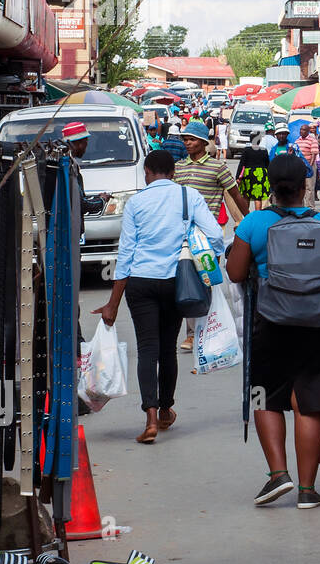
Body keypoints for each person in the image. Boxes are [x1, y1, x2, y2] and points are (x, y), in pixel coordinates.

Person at [225, 155, 320, 510]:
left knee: (263, 396)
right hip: (319, 327)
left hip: (269, 326)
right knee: (309, 404)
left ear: (271, 187)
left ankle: (278, 474)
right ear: (306, 186)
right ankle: (307, 489)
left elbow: (235, 274)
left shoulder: (254, 224)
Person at [93, 150, 224, 445]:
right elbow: (215, 235)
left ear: (147, 173)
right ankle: (166, 410)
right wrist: (207, 261)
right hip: (176, 282)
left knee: (147, 349)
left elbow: (125, 253)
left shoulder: (137, 203)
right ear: (174, 172)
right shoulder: (189, 196)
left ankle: (150, 418)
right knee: (167, 349)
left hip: (141, 282)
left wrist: (113, 301)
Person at [174, 120, 248, 351]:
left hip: (209, 236)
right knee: (187, 281)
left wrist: (249, 220)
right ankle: (190, 334)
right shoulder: (178, 168)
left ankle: (206, 331)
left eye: (191, 139)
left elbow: (235, 195)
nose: (187, 143)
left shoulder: (218, 168)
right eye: (185, 139)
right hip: (184, 235)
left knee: (206, 283)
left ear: (203, 143)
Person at [237, 139, 272, 212]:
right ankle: (258, 216)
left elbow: (241, 164)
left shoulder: (246, 150)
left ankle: (246, 216)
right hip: (260, 174)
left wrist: (237, 177)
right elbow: (267, 165)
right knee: (257, 197)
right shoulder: (264, 150)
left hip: (248, 174)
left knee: (246, 196)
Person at [294, 123, 320, 208]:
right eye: (301, 130)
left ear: (308, 131)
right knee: (300, 187)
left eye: (304, 130)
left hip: (309, 165)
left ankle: (310, 207)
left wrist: (309, 167)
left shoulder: (312, 140)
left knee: (309, 187)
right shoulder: (297, 141)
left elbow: (313, 154)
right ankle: (300, 206)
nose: (301, 131)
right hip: (299, 166)